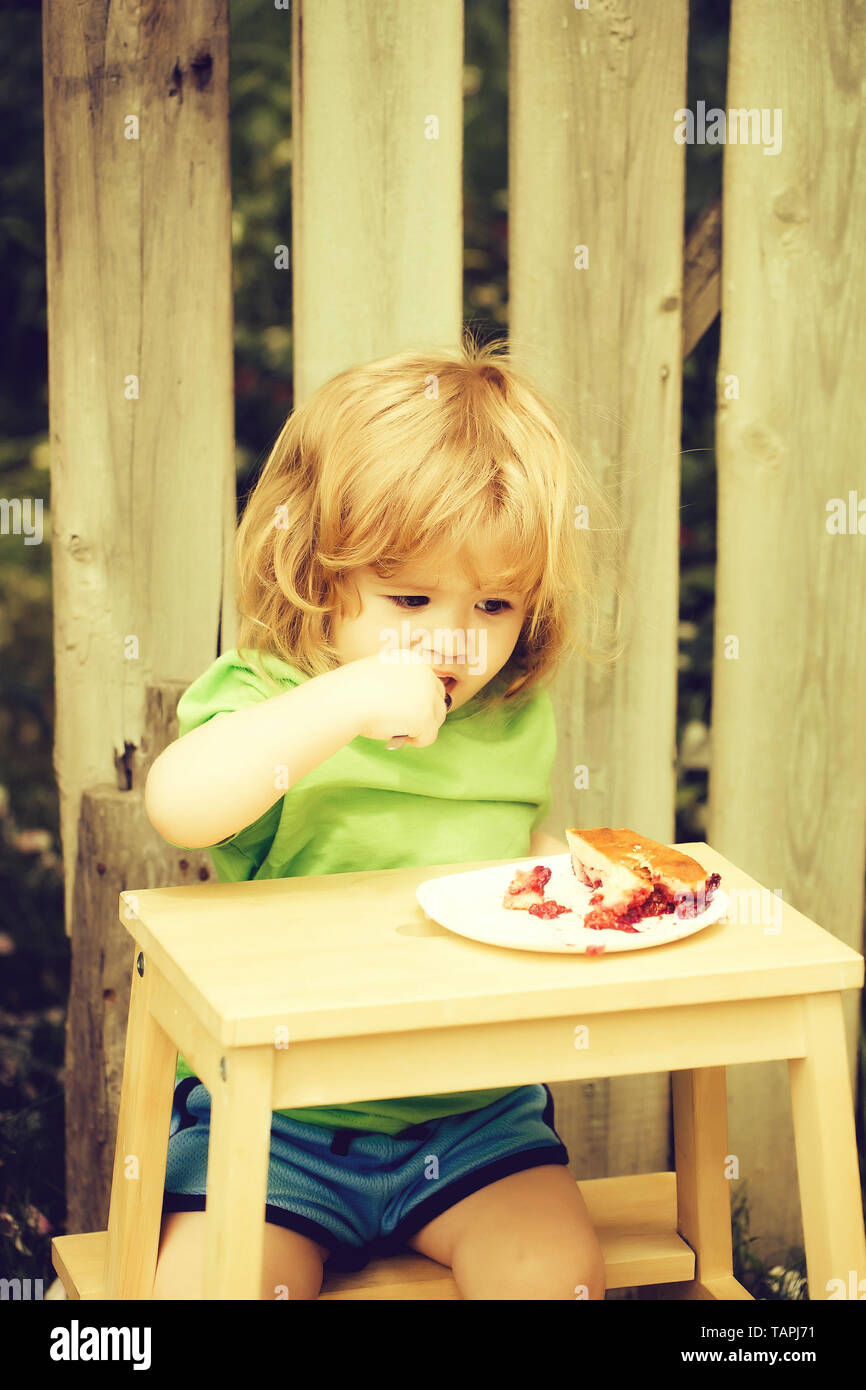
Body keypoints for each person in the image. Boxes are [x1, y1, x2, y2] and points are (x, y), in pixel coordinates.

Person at [144, 332, 621, 1299]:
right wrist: (349, 702)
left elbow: (500, 859)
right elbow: (180, 805)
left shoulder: (506, 718)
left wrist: (561, 877)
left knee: (557, 1275)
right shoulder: (269, 703)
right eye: (409, 597)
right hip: (279, 1119)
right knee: (207, 1287)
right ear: (319, 577)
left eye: (492, 604)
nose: (454, 637)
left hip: (471, 1115)